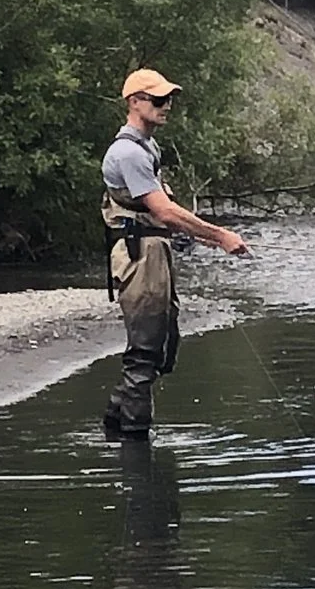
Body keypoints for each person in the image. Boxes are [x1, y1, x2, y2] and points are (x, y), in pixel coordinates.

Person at [101, 67, 248, 438]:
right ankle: (136, 442)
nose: (167, 106)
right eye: (158, 100)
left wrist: (204, 238)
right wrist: (221, 235)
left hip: (154, 250)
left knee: (163, 346)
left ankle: (114, 427)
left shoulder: (149, 147)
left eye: (168, 99)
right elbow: (164, 211)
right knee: (145, 351)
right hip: (139, 257)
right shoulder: (127, 153)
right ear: (134, 102)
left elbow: (161, 211)